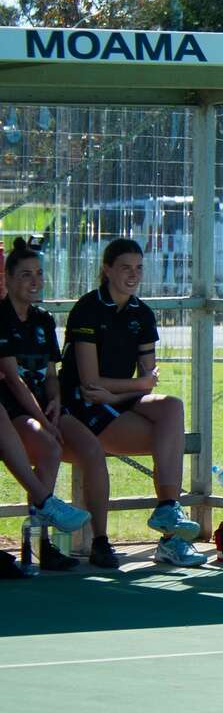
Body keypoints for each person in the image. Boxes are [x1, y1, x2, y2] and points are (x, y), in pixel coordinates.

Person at [59, 238, 205, 568]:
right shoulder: (87, 309)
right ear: (107, 270)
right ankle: (162, 536)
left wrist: (122, 393)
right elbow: (90, 383)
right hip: (82, 407)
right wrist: (133, 388)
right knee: (167, 436)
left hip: (116, 400)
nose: (133, 274)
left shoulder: (142, 312)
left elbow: (147, 381)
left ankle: (168, 515)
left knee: (172, 407)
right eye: (125, 267)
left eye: (139, 268)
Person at [0, 241, 92, 578]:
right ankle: (47, 505)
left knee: (51, 449)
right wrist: (42, 418)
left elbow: (51, 374)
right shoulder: (1, 317)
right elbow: (12, 379)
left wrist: (54, 402)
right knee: (47, 439)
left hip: (33, 410)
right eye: (25, 275)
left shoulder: (43, 320)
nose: (35, 281)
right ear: (7, 279)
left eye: (38, 273)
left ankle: (39, 542)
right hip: (11, 407)